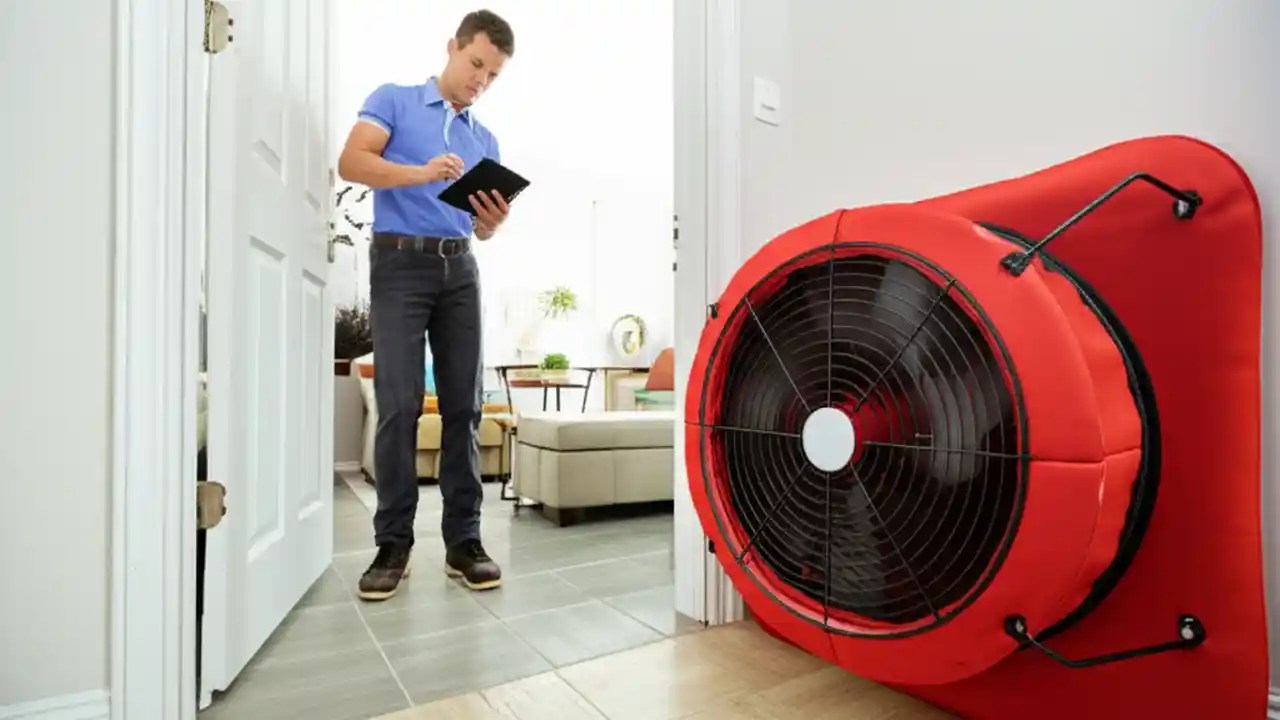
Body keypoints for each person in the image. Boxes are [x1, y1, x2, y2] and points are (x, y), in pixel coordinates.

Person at [336, 10, 515, 599]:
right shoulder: (394, 100)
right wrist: (421, 173)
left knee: (465, 404)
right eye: (476, 65)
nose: (480, 81)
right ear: (452, 49)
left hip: (460, 266)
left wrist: (490, 224)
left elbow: (477, 225)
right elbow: (352, 162)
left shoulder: (483, 138)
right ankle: (393, 544)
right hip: (399, 263)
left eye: (492, 75)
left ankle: (464, 542)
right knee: (398, 403)